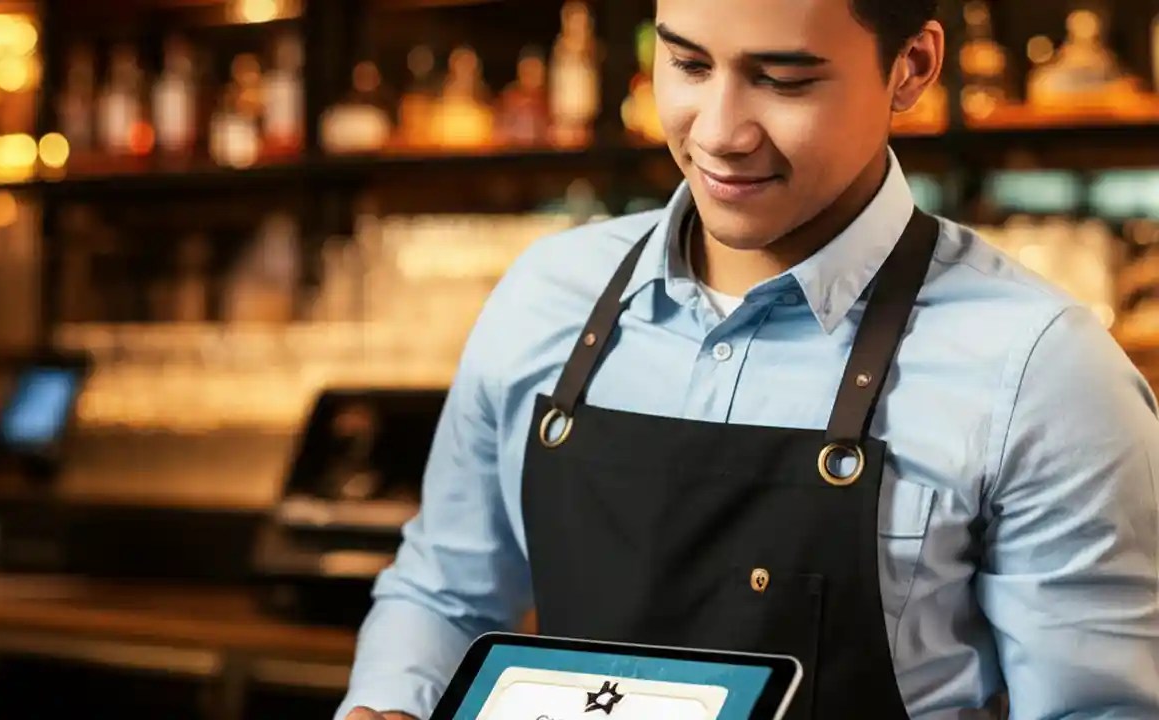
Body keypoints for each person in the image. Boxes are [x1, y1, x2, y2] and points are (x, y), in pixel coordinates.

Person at [339, 0, 1159, 717]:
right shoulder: (543, 299)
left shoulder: (1044, 372)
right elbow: (444, 592)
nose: (720, 132)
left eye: (785, 79)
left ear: (912, 68)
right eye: (687, 63)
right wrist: (391, 703)